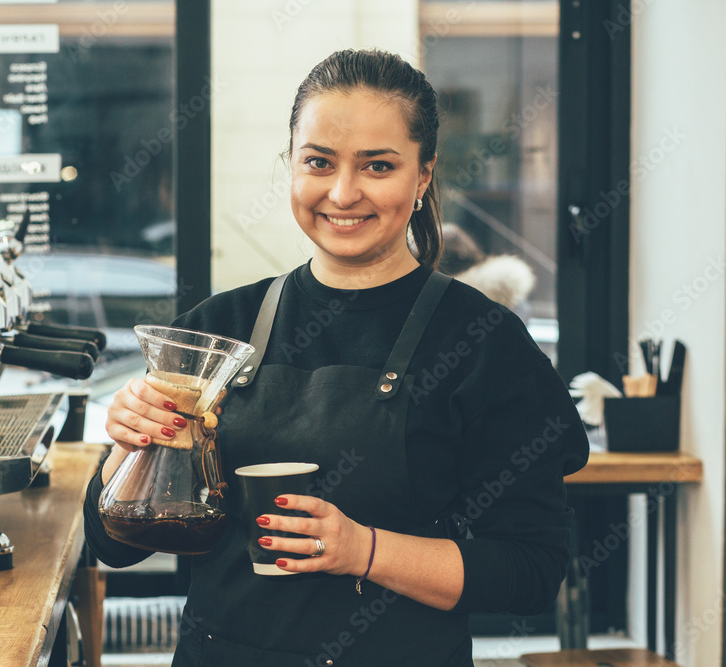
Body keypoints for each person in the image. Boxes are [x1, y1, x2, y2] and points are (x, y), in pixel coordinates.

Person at [84, 49, 588, 666]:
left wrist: (365, 551)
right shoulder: (218, 331)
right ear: (290, 165)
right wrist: (126, 453)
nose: (343, 193)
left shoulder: (483, 344)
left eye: (378, 165)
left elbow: (530, 571)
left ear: (424, 175)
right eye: (318, 162)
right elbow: (115, 547)